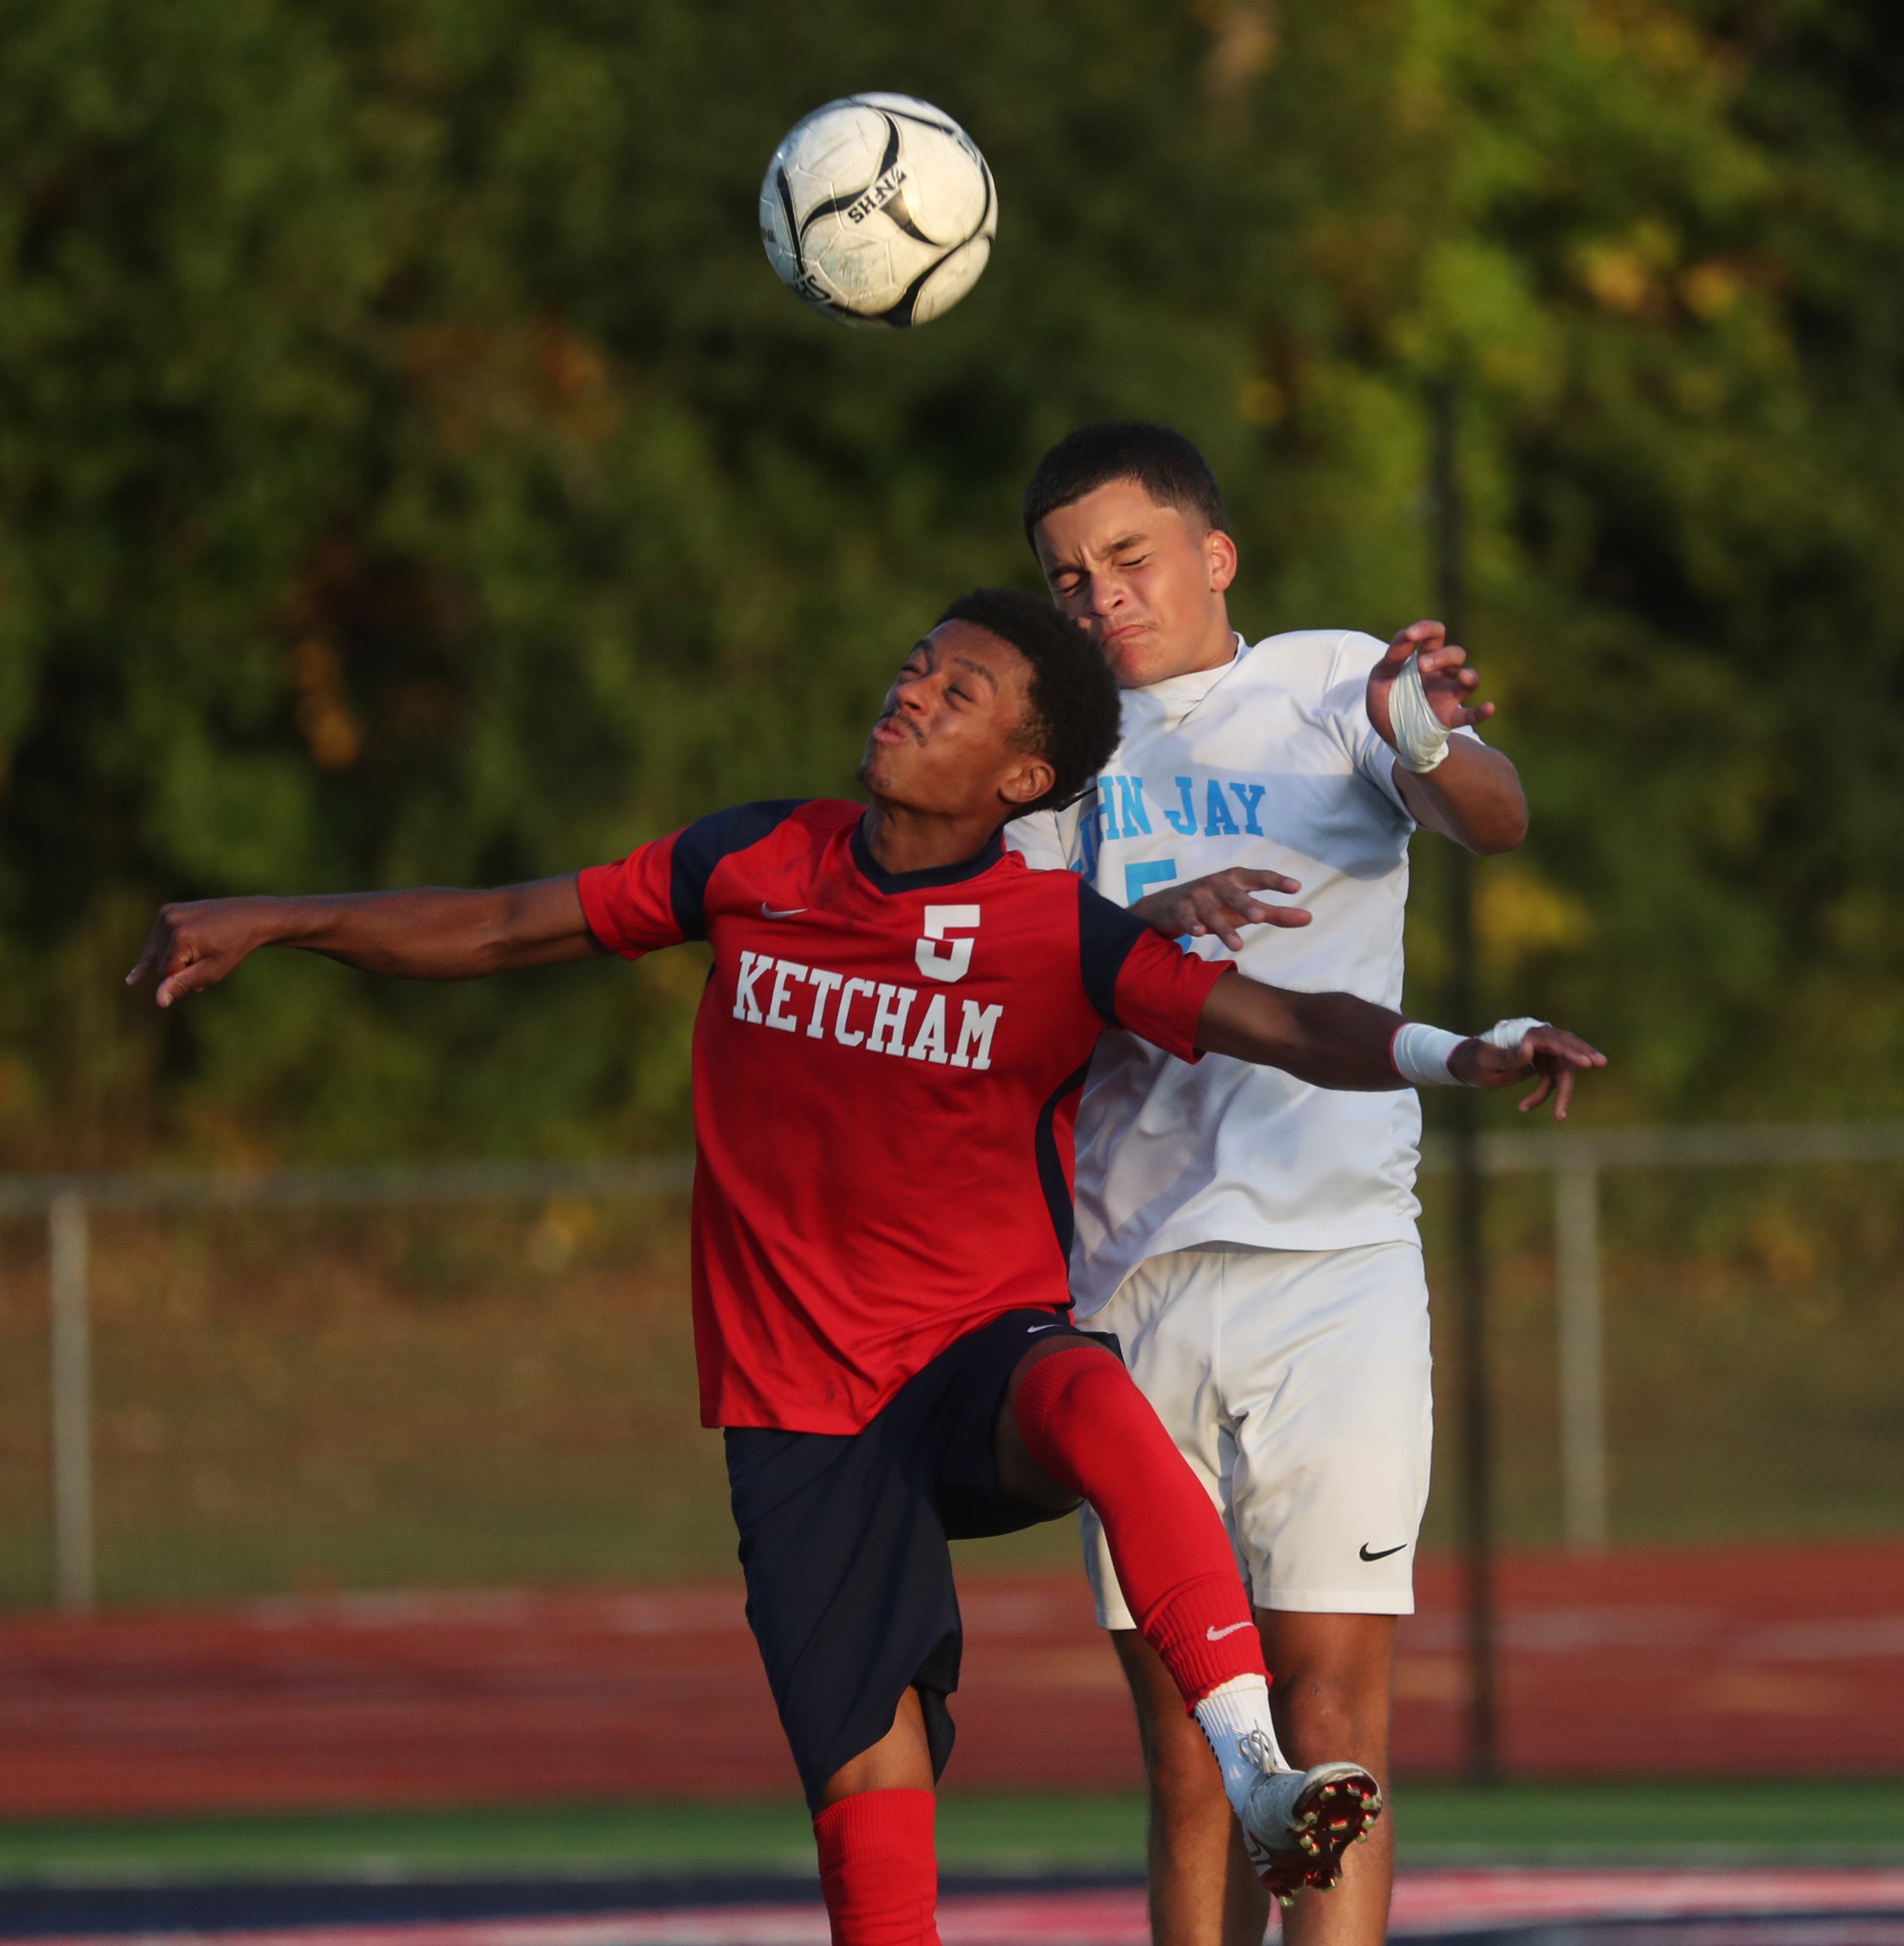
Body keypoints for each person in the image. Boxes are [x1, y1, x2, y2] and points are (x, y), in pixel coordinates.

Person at [130, 588, 1598, 1946]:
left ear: (1024, 777)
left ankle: (1256, 1763)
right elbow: (512, 923)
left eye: (959, 693)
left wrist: (1461, 1050)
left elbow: (1283, 1023)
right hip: (800, 1418)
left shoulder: (1056, 931)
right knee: (872, 1830)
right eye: (916, 667)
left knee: (1091, 1396)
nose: (912, 693)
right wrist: (283, 918)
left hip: (972, 1364)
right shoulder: (753, 859)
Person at [1007, 423, 1535, 1946]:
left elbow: (1495, 817)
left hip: (1332, 1266)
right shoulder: (1048, 752)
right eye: (1068, 576)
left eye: (1128, 557)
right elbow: (1018, 995)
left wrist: (1417, 731)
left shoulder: (1326, 681)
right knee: (1193, 1746)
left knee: (1328, 1713)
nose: (1101, 595)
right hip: (1128, 1282)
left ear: (1215, 553)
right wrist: (1140, 925)